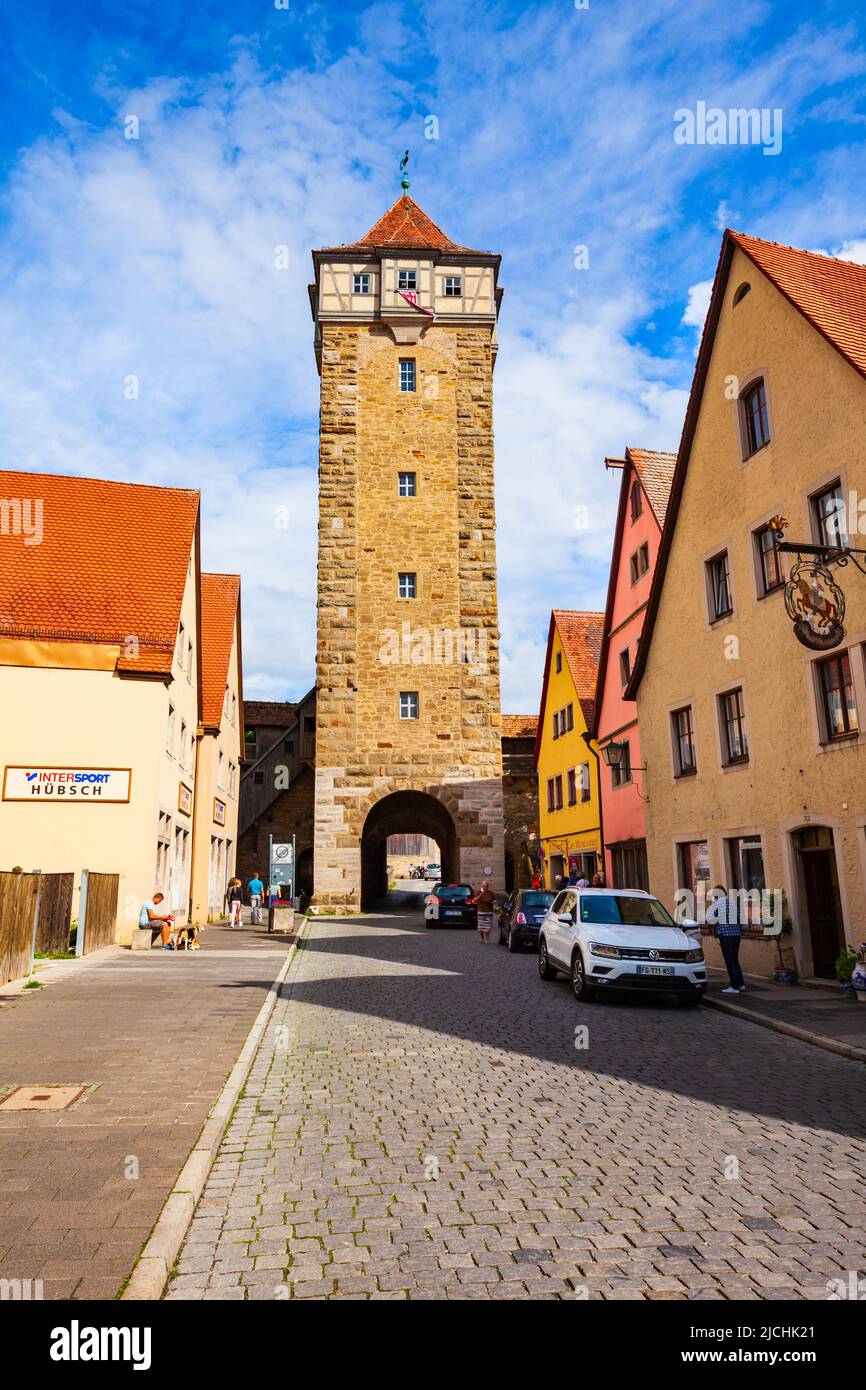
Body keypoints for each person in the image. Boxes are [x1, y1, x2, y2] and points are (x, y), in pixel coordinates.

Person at [705, 883, 745, 993]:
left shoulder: (717, 905)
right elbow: (740, 919)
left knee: (729, 961)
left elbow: (708, 921)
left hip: (725, 936)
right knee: (735, 960)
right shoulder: (732, 903)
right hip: (736, 935)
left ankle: (734, 986)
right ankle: (741, 984)